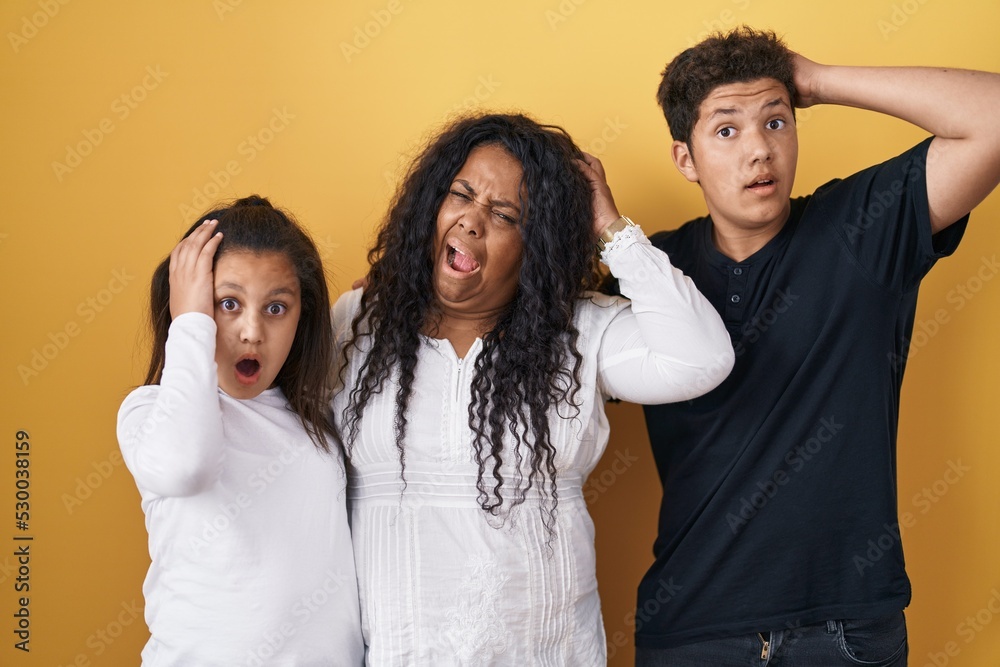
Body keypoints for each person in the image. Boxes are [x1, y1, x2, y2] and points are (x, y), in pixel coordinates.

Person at [628, 26, 1000, 664]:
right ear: (684, 159)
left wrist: (815, 80)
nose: (759, 152)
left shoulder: (859, 228)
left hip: (846, 629)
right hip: (693, 631)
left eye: (776, 123)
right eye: (726, 130)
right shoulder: (650, 271)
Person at [332, 113, 734, 664]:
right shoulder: (356, 323)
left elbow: (702, 358)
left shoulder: (581, 330)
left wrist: (611, 228)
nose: (472, 222)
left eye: (504, 215)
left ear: (536, 247)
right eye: (461, 195)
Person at [117, 196, 364, 666]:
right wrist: (189, 319)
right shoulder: (150, 412)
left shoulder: (318, 425)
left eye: (276, 308)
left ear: (302, 317)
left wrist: (390, 305)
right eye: (228, 304)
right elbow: (187, 468)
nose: (252, 331)